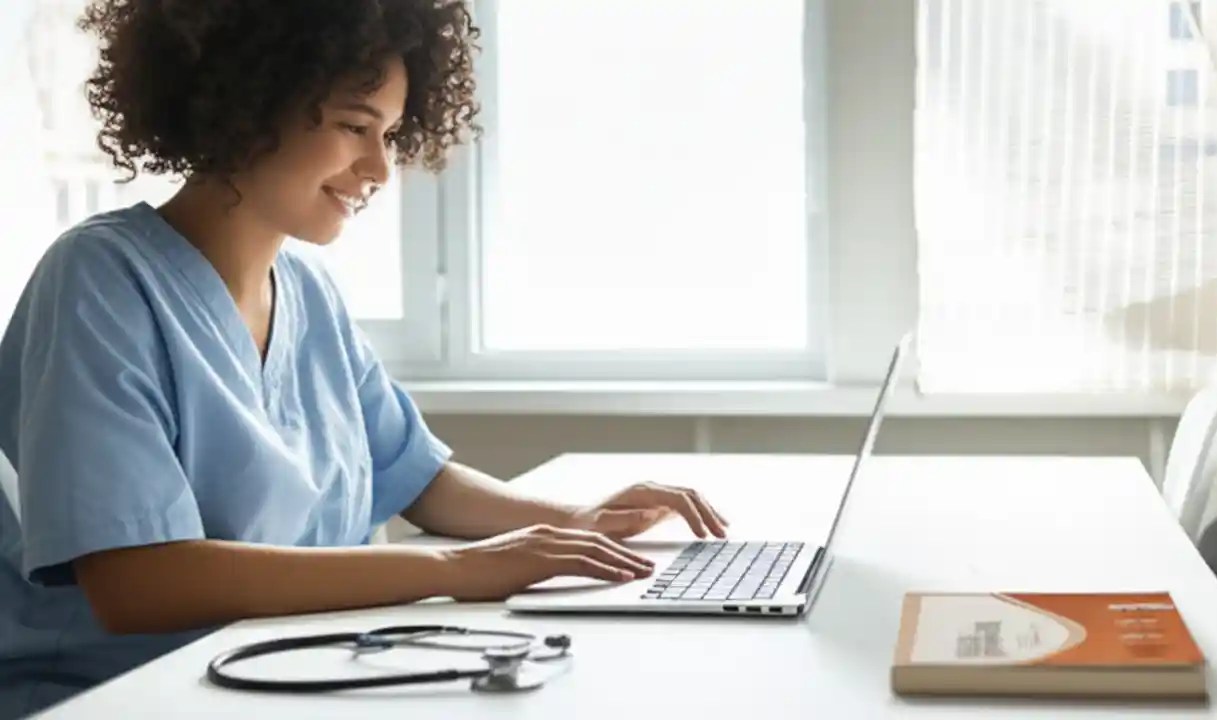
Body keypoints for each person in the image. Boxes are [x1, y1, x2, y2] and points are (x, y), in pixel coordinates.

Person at [0, 2, 729, 717]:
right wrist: (456, 570)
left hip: (300, 675)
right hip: (125, 699)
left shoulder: (309, 291)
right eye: (356, 127)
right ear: (246, 103)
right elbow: (138, 583)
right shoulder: (98, 281)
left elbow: (420, 479)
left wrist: (578, 522)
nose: (381, 167)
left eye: (392, 133)